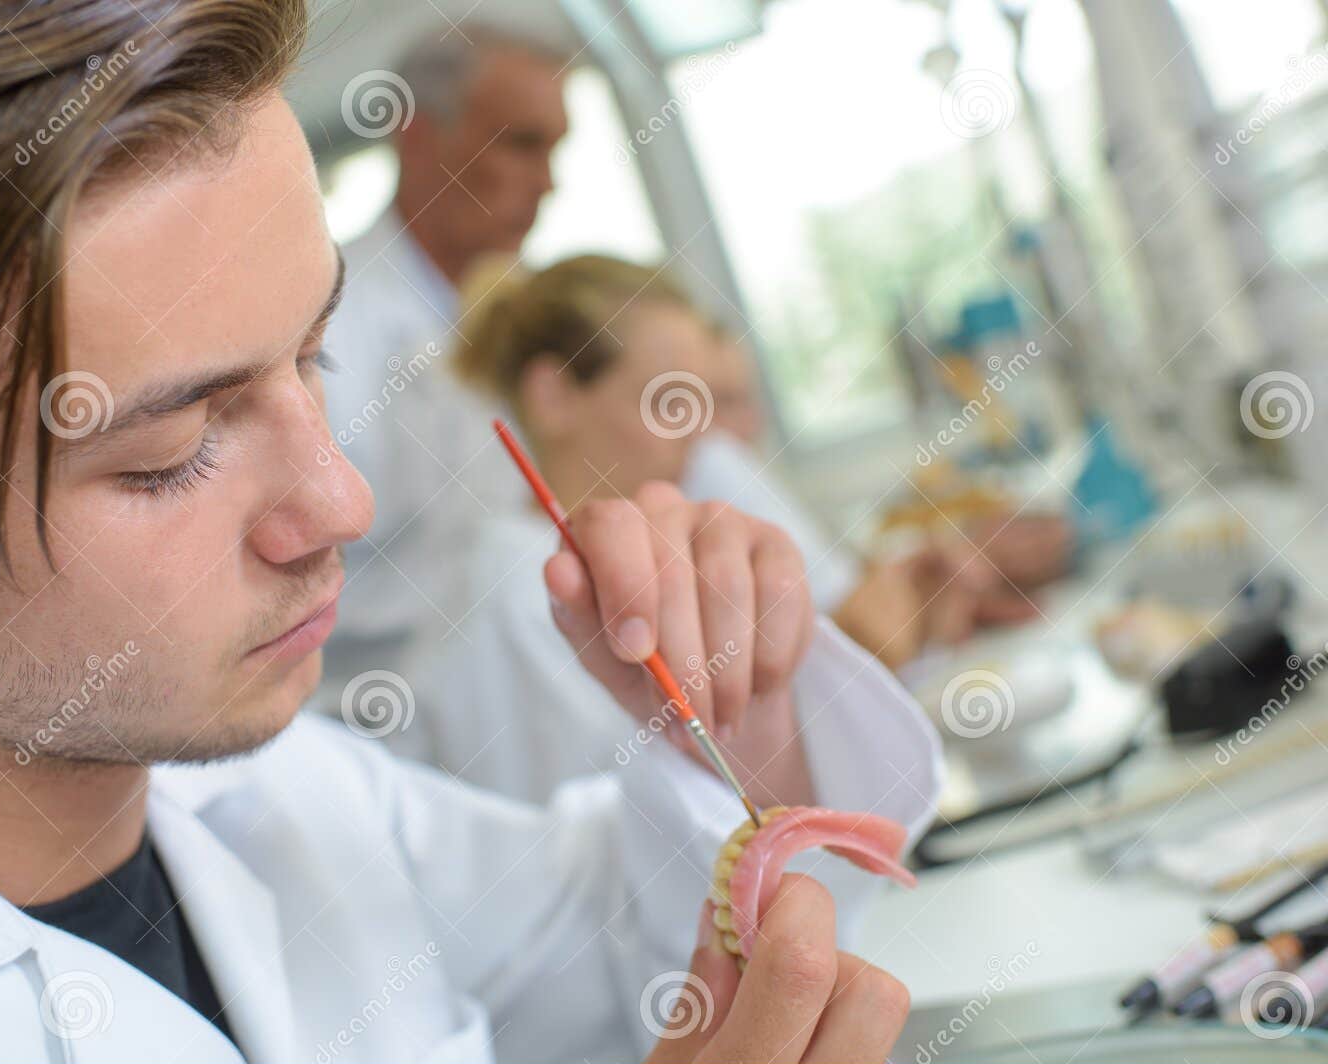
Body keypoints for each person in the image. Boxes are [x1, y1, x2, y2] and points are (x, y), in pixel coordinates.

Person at [0, 0, 934, 1064]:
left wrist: (737, 695)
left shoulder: (287, 791)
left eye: (314, 357)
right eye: (167, 455)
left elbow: (633, 966)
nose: (341, 507)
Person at [396, 256, 941, 944]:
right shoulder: (511, 602)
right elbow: (619, 887)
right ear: (554, 398)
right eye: (665, 401)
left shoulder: (644, 561)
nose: (700, 435)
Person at [318, 23, 570, 700]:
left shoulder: (533, 315)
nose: (550, 183)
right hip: (393, 714)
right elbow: (323, 575)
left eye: (557, 150)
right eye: (523, 144)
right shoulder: (328, 324)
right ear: (420, 137)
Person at [684, 334, 1001, 670]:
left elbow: (860, 619)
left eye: (749, 398)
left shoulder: (756, 489)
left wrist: (919, 587)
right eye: (724, 402)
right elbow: (869, 640)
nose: (752, 422)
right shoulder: (712, 467)